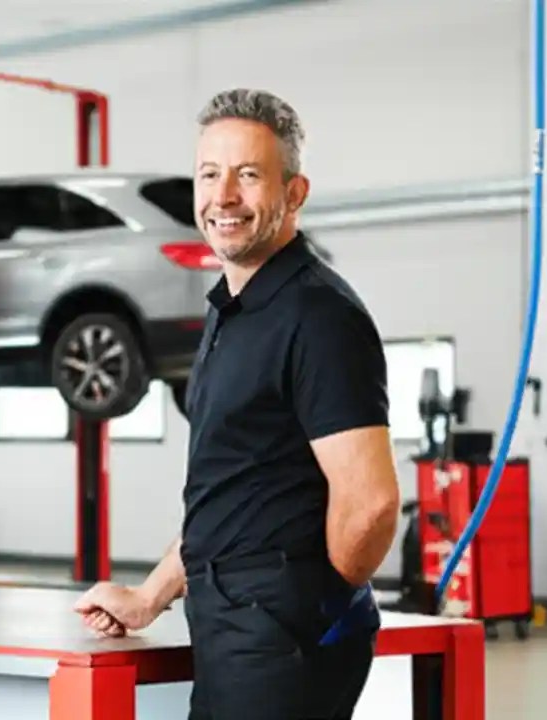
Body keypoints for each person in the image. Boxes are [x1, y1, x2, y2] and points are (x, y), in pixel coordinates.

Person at [73, 88, 401, 719]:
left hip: (278, 637)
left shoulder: (317, 315)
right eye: (209, 174)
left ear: (294, 193)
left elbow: (372, 503)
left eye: (248, 176)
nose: (223, 197)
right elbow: (231, 494)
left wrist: (311, 601)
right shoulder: (234, 310)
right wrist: (150, 597)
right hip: (237, 625)